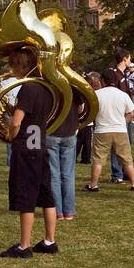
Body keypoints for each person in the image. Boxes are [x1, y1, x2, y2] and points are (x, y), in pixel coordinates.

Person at [0, 46, 63, 257]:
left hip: (26, 146)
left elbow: (17, 122)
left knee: (26, 196)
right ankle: (49, 240)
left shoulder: (28, 88)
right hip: (39, 144)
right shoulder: (46, 86)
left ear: (21, 65)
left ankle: (24, 245)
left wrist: (10, 134)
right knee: (46, 195)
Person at [85, 68, 134, 193]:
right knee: (126, 158)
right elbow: (131, 113)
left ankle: (93, 184)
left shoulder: (97, 95)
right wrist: (123, 122)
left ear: (102, 80)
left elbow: (90, 112)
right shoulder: (123, 95)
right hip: (120, 129)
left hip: (102, 130)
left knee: (98, 159)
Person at [45, 81, 86, 222]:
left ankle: (57, 212)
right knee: (68, 174)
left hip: (51, 133)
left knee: (54, 175)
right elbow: (80, 109)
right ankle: (69, 211)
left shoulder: (48, 87)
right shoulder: (74, 87)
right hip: (69, 132)